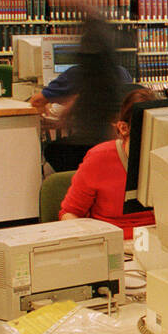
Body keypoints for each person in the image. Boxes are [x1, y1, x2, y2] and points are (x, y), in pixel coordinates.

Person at [28, 15, 134, 171]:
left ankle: (76, 182)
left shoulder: (77, 73)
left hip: (90, 147)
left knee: (52, 150)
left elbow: (36, 101)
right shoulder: (122, 73)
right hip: (118, 146)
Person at [58, 86, 158, 238]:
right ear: (124, 128)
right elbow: (69, 214)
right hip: (113, 243)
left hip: (160, 242)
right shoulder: (99, 158)